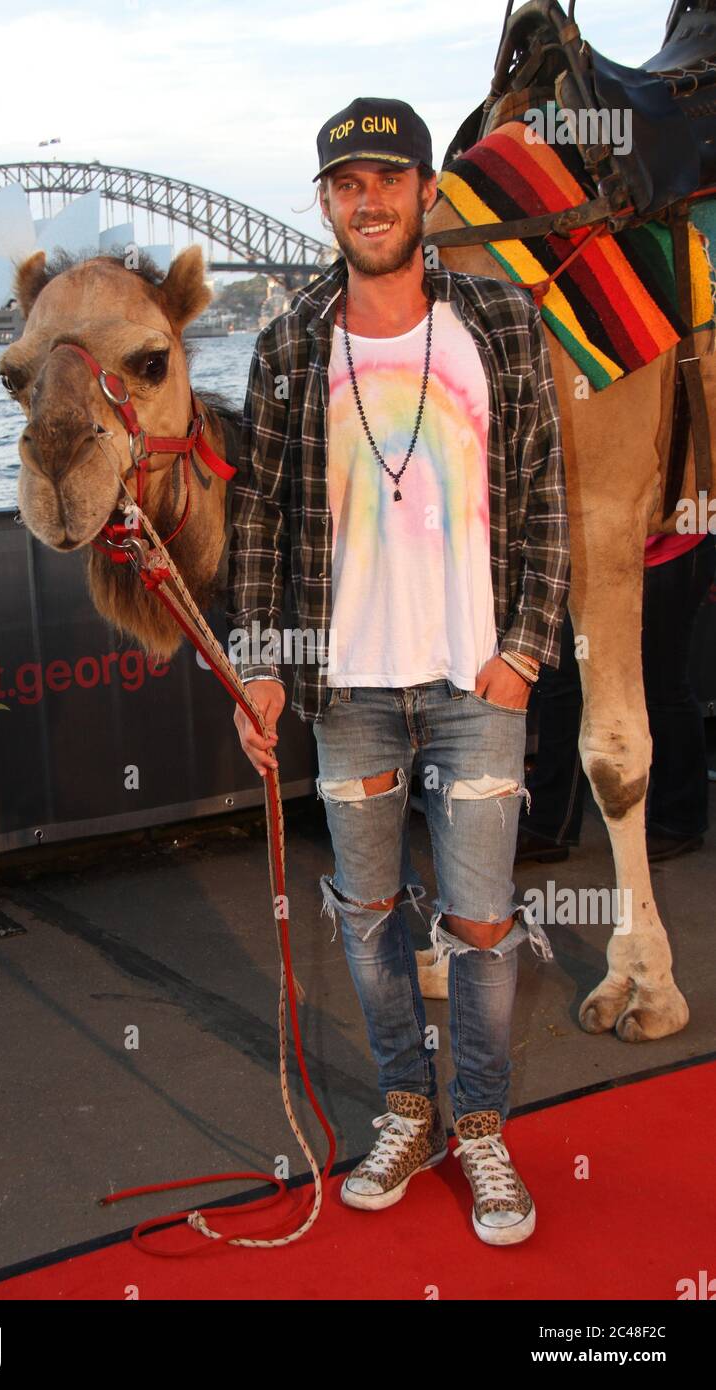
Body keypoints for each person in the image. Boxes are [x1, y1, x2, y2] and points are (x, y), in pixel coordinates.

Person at [227, 97, 570, 1246]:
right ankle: (405, 1107)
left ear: (428, 192)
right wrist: (257, 665)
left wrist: (523, 650)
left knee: (476, 927)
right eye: (344, 184)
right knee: (368, 919)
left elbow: (542, 494)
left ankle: (480, 1127)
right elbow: (261, 521)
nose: (366, 201)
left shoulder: (498, 321)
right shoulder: (286, 344)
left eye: (387, 179)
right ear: (324, 201)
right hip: (346, 690)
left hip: (477, 680)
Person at [517, 529, 716, 864]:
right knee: (562, 680)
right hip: (588, 549)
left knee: (660, 684)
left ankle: (679, 821)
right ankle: (548, 827)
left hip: (670, 547)